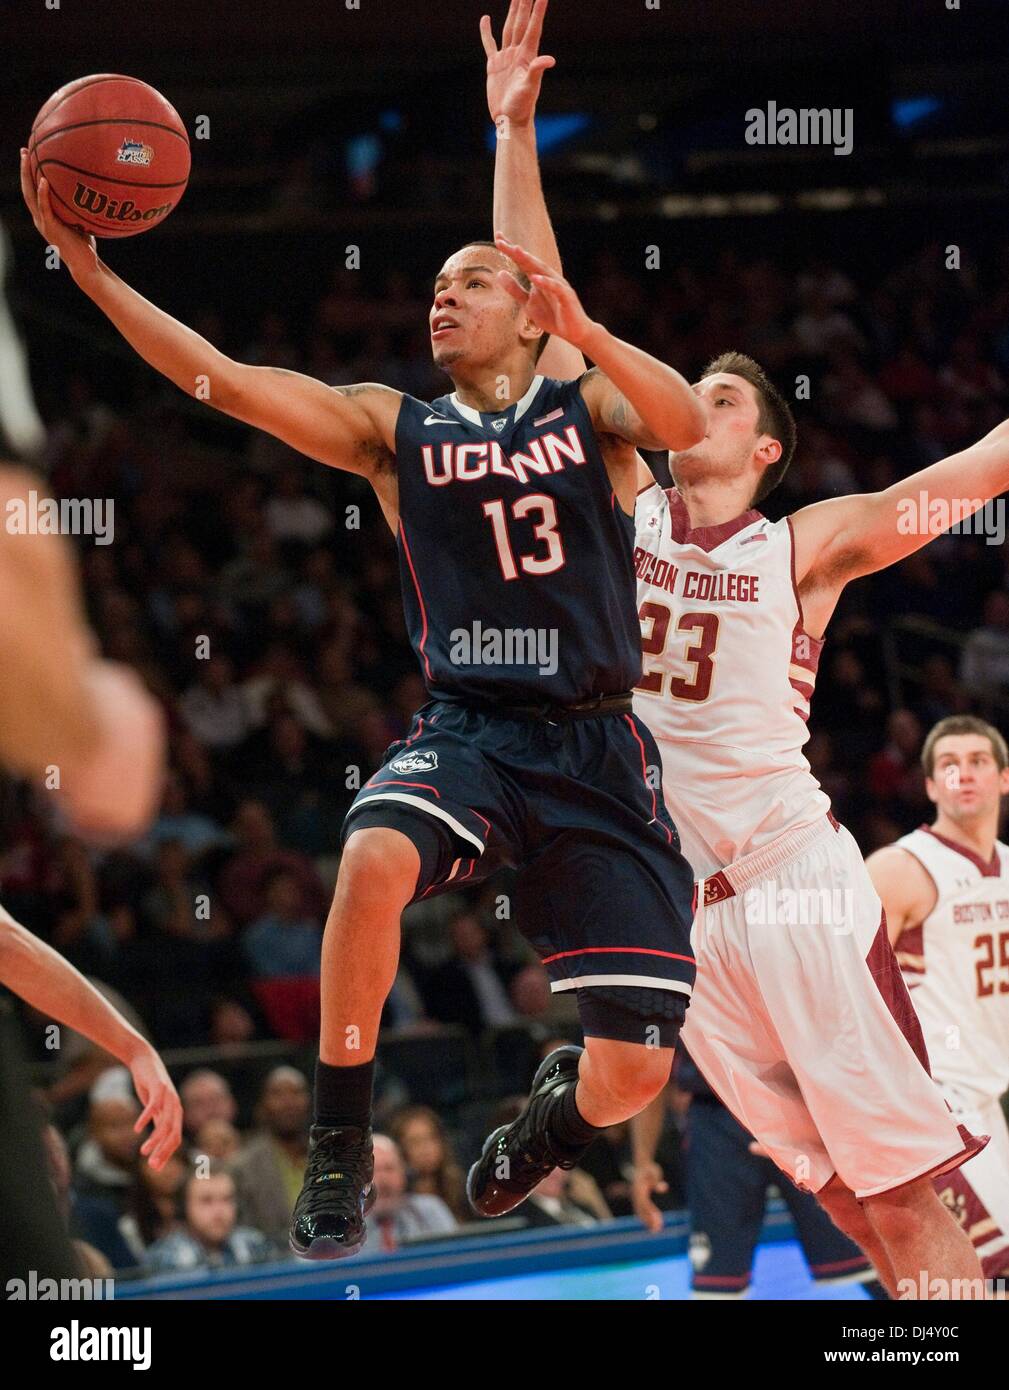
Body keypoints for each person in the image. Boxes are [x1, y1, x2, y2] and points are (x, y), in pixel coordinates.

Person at [19, 86, 706, 1261]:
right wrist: (90, 277)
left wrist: (520, 155)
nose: (441, 293)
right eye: (434, 283)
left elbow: (687, 421)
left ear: (531, 311)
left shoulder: (592, 409)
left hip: (597, 745)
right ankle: (340, 1135)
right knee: (372, 851)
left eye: (470, 281)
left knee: (635, 1073)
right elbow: (224, 381)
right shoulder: (394, 427)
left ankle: (550, 1120)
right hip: (474, 730)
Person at [491, 0, 997, 1296]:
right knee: (839, 1202)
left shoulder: (808, 543)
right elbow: (537, 317)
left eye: (718, 395)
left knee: (898, 1191)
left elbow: (976, 468)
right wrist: (514, 131)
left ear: (765, 445)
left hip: (793, 885)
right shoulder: (621, 502)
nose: (684, 402)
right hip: (679, 922)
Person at [866, 717, 1009, 1289]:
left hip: (988, 1096)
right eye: (948, 763)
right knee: (990, 1271)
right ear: (928, 785)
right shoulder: (900, 869)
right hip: (936, 1102)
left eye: (977, 761)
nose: (963, 773)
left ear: (1003, 779)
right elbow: (836, 987)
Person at [145, 1166, 274, 1274]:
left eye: (227, 1199)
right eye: (206, 1201)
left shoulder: (255, 1245)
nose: (219, 1212)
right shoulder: (163, 1258)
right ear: (183, 1208)